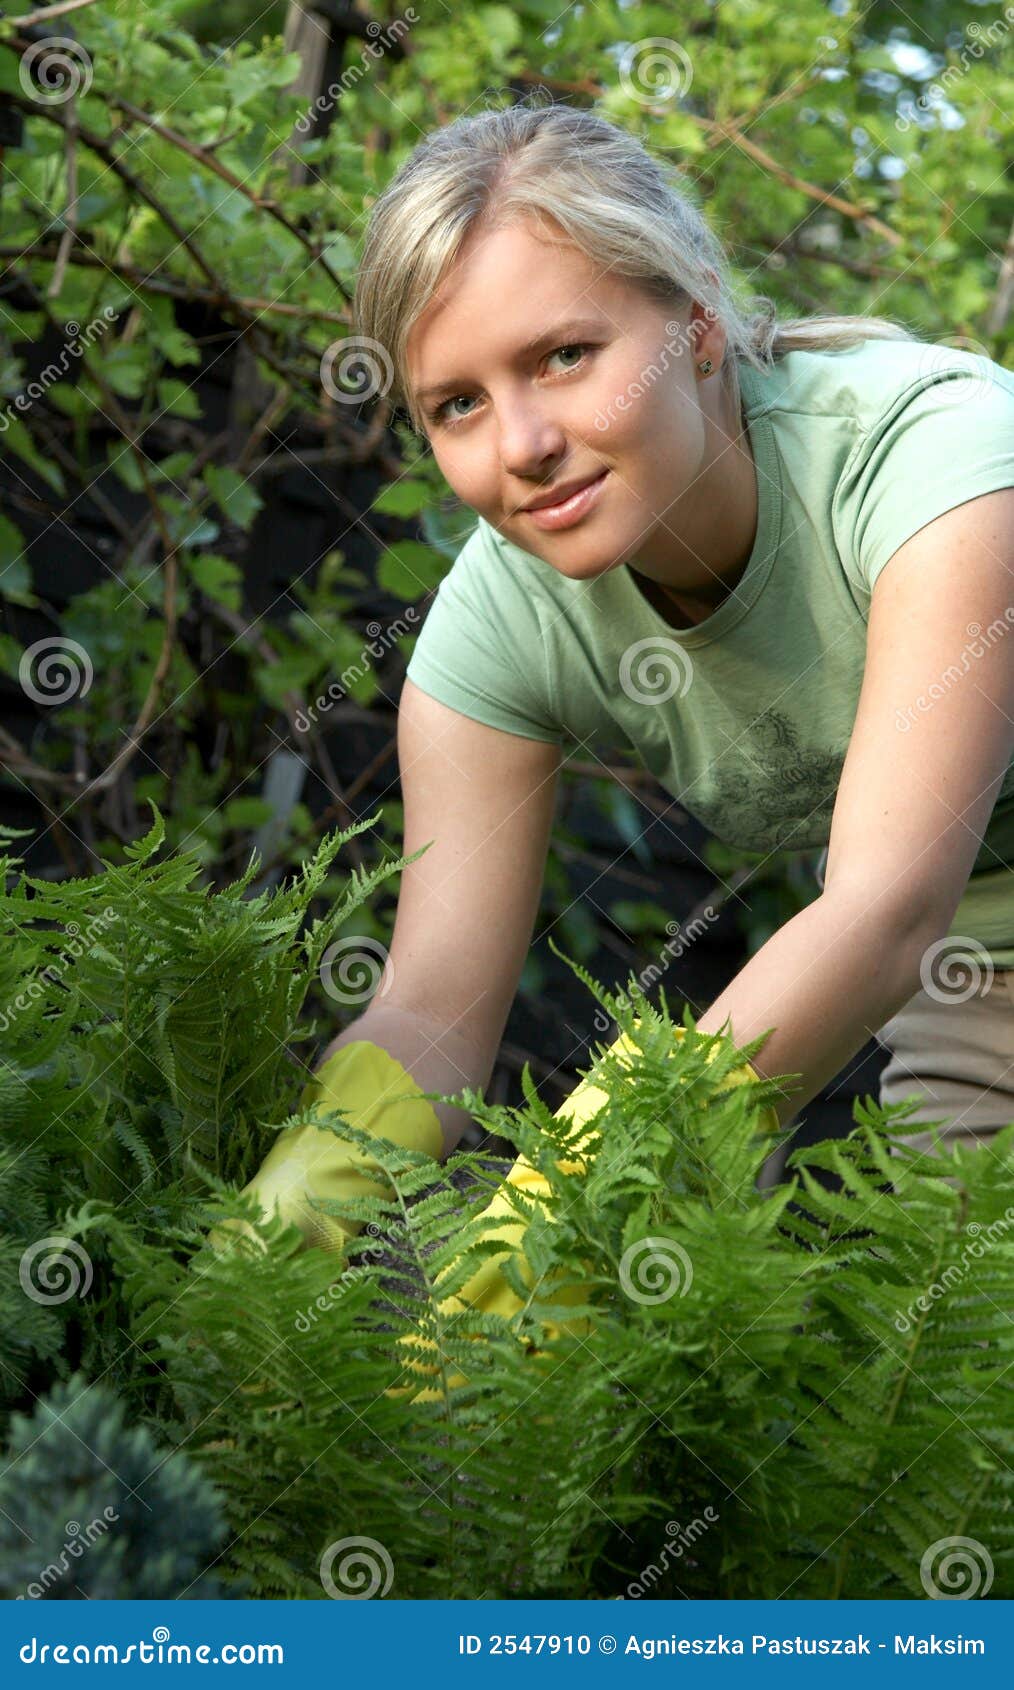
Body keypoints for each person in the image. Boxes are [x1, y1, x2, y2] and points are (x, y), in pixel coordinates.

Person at [220, 99, 1014, 1348]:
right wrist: (284, 1233)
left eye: (562, 357)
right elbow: (432, 1007)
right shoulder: (496, 623)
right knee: (920, 1384)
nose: (523, 448)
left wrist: (601, 1171)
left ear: (696, 322)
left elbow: (882, 905)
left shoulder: (937, 461)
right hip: (983, 964)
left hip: (925, 926)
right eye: (457, 406)